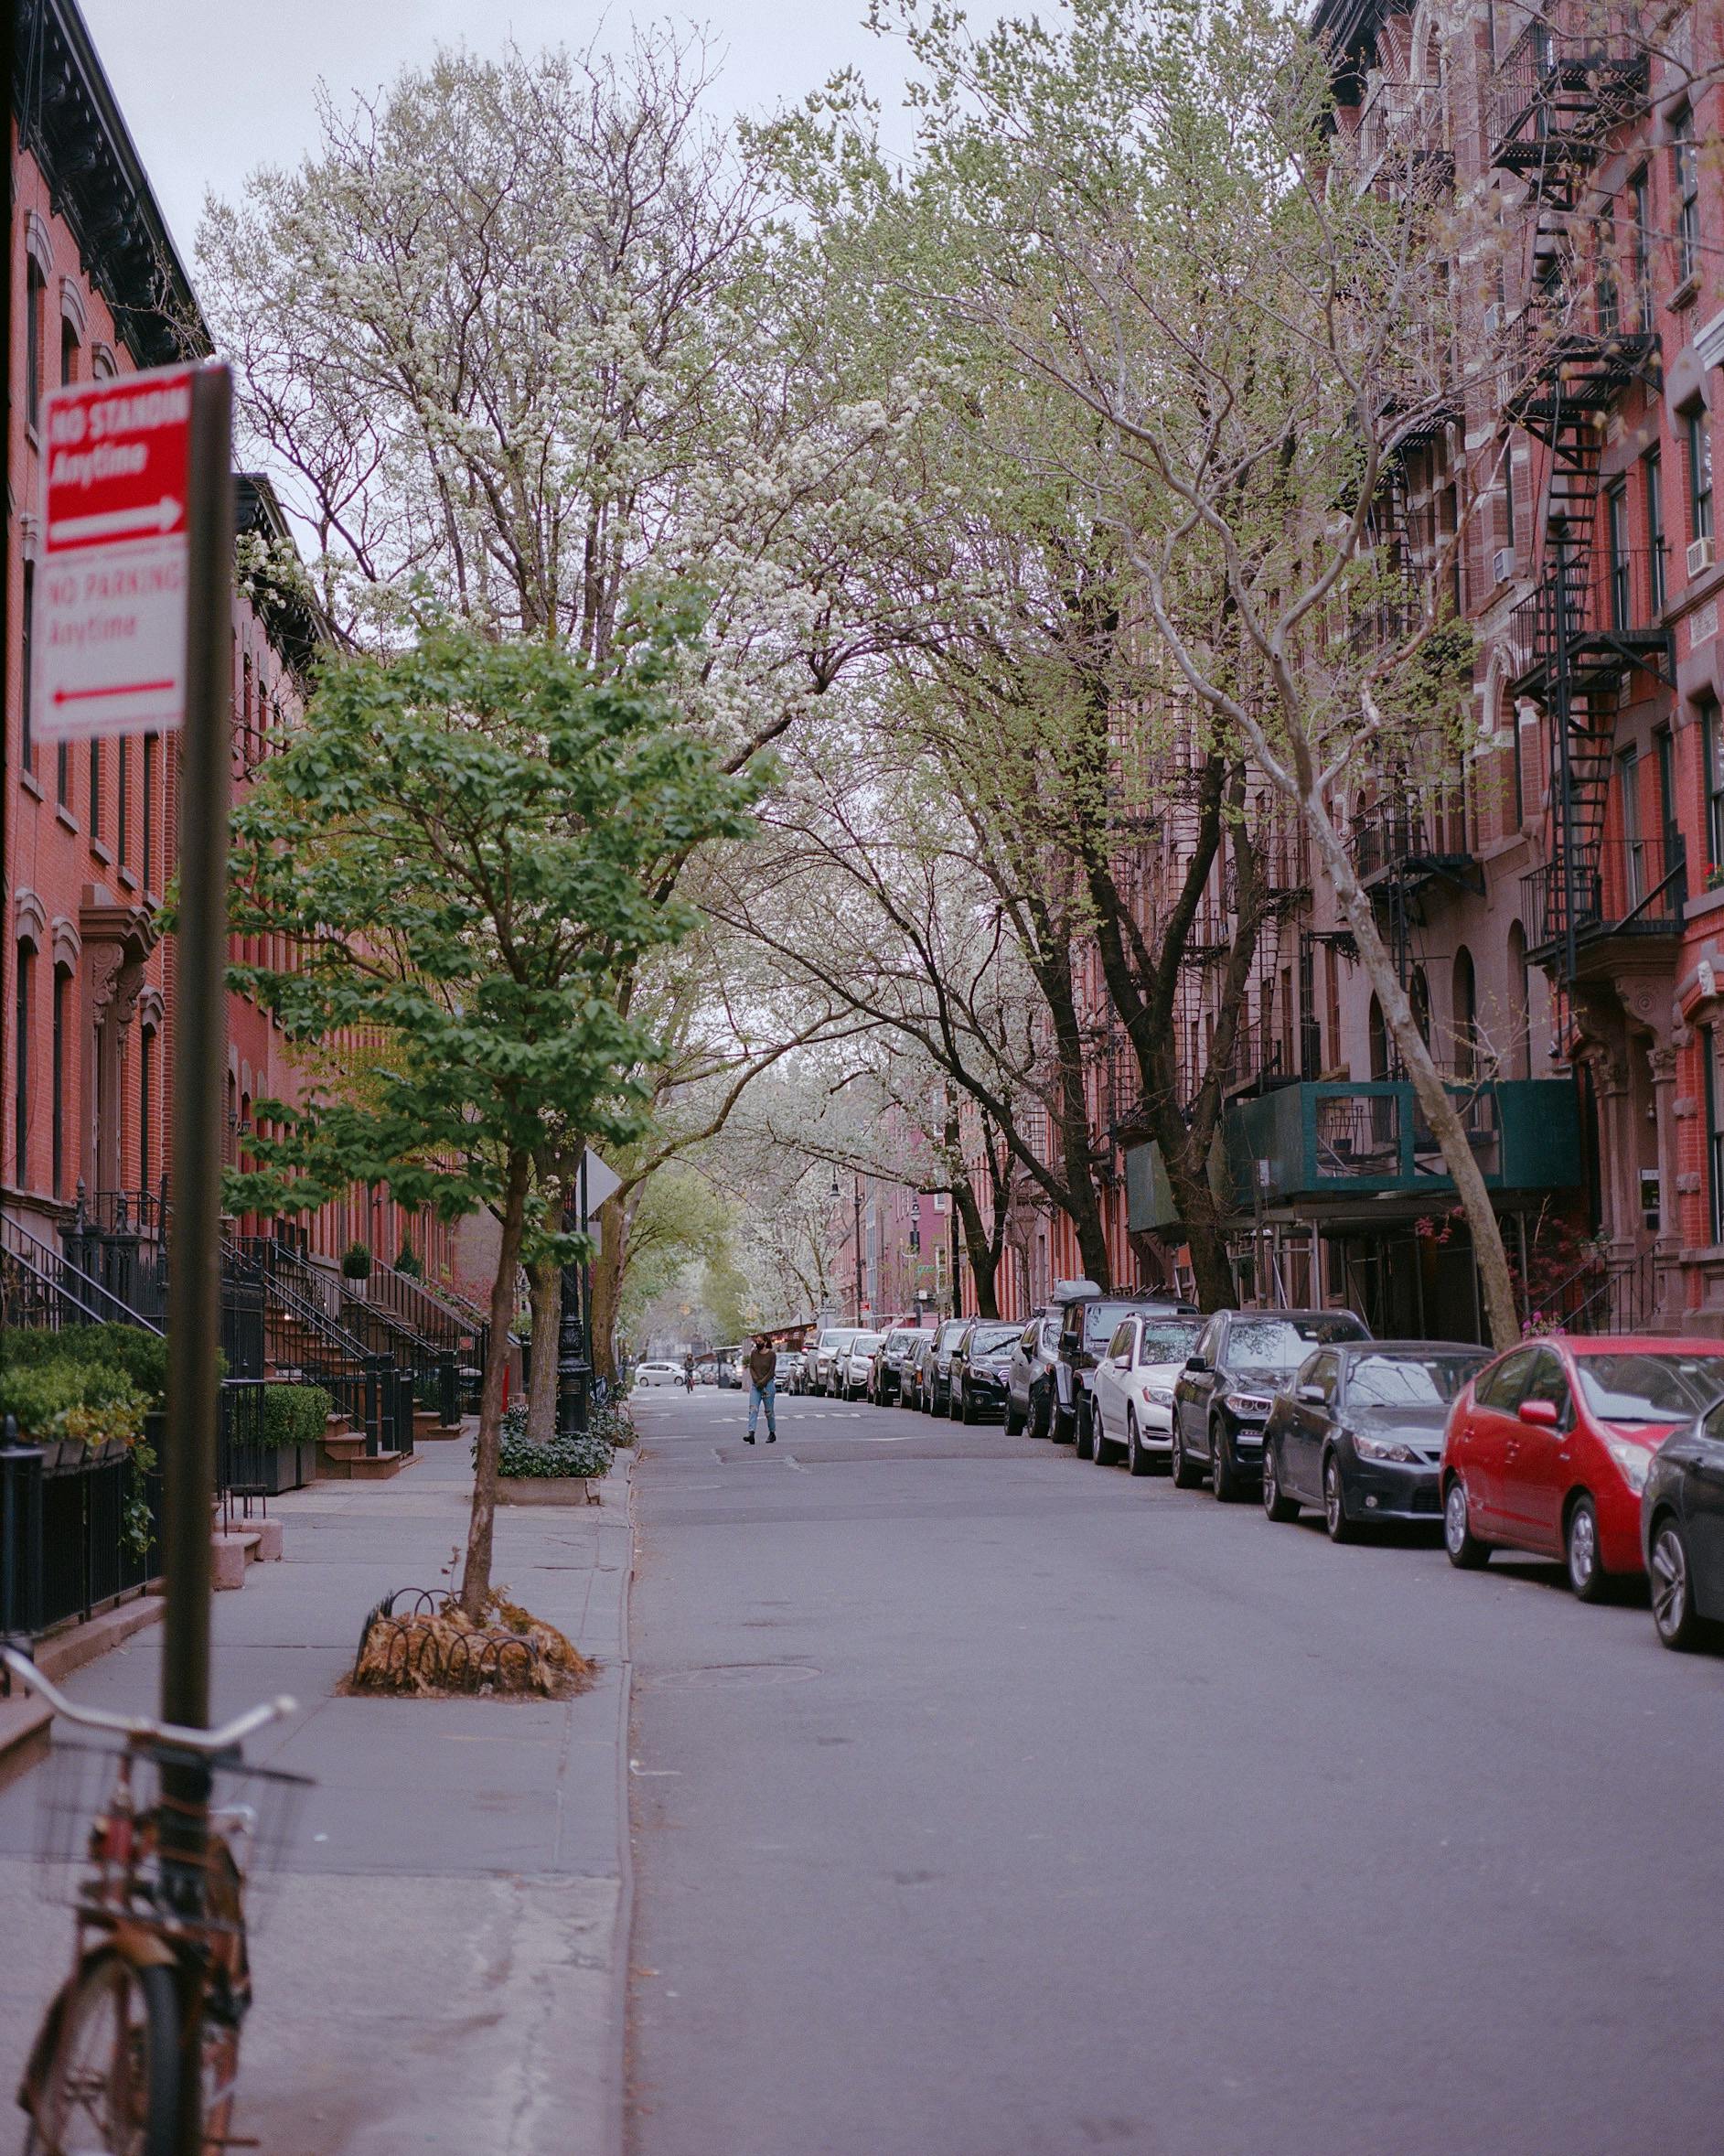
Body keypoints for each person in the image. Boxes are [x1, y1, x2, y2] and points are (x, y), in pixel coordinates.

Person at [744, 1334, 778, 1443]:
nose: (757, 1344)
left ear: (765, 1342)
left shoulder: (772, 1355)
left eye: (759, 1342)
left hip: (767, 1385)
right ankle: (751, 1433)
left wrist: (763, 1382)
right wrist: (756, 1380)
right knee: (753, 1408)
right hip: (756, 1385)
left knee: (769, 1411)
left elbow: (771, 1372)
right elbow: (752, 1367)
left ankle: (772, 1432)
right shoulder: (754, 1353)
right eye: (756, 1342)